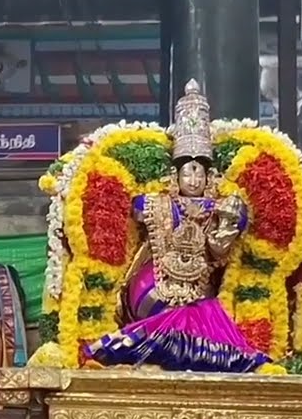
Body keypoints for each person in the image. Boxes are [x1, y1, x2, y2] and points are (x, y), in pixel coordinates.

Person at [83, 80, 271, 372]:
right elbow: (135, 209)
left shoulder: (221, 207)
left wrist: (228, 217)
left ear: (209, 178)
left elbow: (219, 249)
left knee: (208, 334)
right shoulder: (154, 203)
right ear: (176, 175)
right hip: (155, 287)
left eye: (199, 174)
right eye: (188, 173)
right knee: (170, 327)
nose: (194, 180)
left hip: (198, 292)